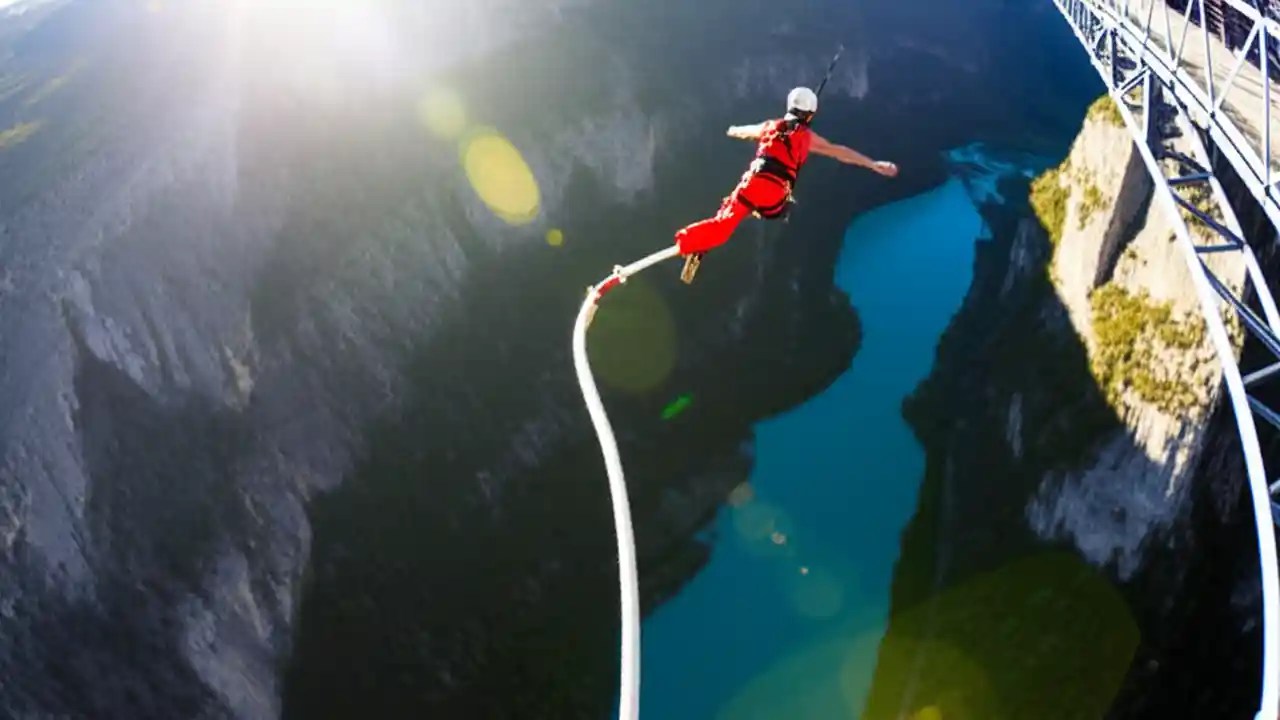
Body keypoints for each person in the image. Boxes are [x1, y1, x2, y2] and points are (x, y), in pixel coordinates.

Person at [673, 86, 898, 267]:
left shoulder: (770, 126)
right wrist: (873, 164)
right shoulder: (807, 138)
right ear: (811, 114)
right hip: (775, 198)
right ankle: (757, 212)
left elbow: (746, 130)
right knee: (774, 207)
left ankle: (691, 241)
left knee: (725, 220)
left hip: (751, 184)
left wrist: (732, 130)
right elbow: (840, 152)